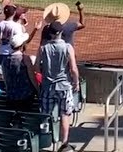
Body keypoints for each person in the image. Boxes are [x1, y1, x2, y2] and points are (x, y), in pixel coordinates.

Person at [38, 21, 81, 152]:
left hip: (48, 87)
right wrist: (76, 82)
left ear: (50, 33)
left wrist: (46, 72)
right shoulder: (68, 47)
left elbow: (36, 67)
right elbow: (73, 68)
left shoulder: (42, 48)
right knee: (64, 114)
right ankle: (64, 143)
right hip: (64, 86)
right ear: (61, 32)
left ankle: (45, 141)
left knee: (46, 115)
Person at [0, 36, 38, 108]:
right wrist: (37, 90)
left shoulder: (4, 60)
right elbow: (32, 77)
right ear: (21, 45)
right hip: (25, 97)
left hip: (11, 96)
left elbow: (5, 79)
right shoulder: (25, 59)